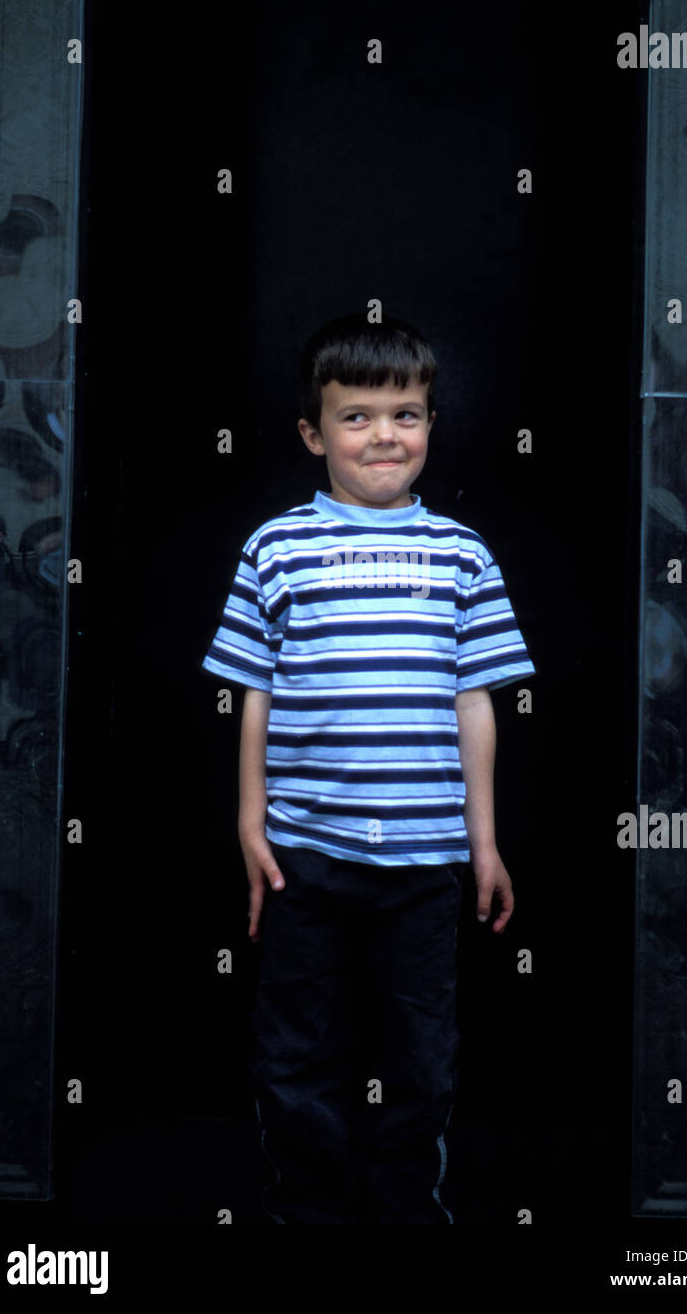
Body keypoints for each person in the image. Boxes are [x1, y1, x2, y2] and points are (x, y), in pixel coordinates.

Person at [202, 313, 535, 1223]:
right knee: (297, 1051)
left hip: (428, 862)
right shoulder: (275, 548)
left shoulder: (463, 555)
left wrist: (485, 842)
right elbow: (253, 695)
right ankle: (307, 1210)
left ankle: (404, 1214)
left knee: (420, 1055)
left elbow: (476, 703)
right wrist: (249, 823)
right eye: (357, 417)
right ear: (314, 433)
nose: (384, 434)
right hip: (304, 853)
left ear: (430, 424)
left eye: (406, 414)